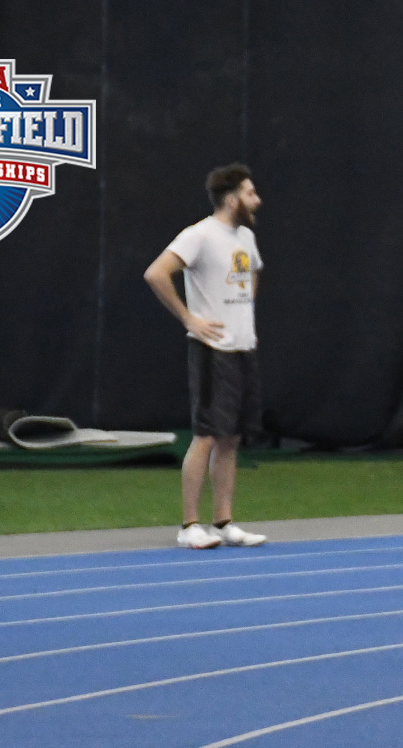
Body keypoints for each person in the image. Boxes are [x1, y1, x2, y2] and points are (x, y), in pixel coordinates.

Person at [144, 162, 268, 550]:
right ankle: (189, 525)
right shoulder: (198, 235)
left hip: (244, 347)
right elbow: (156, 273)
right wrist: (189, 318)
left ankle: (224, 522)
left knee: (231, 437)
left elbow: (252, 275)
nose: (257, 200)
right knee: (207, 436)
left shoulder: (246, 237)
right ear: (231, 199)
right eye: (250, 193)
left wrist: (242, 315)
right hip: (214, 351)